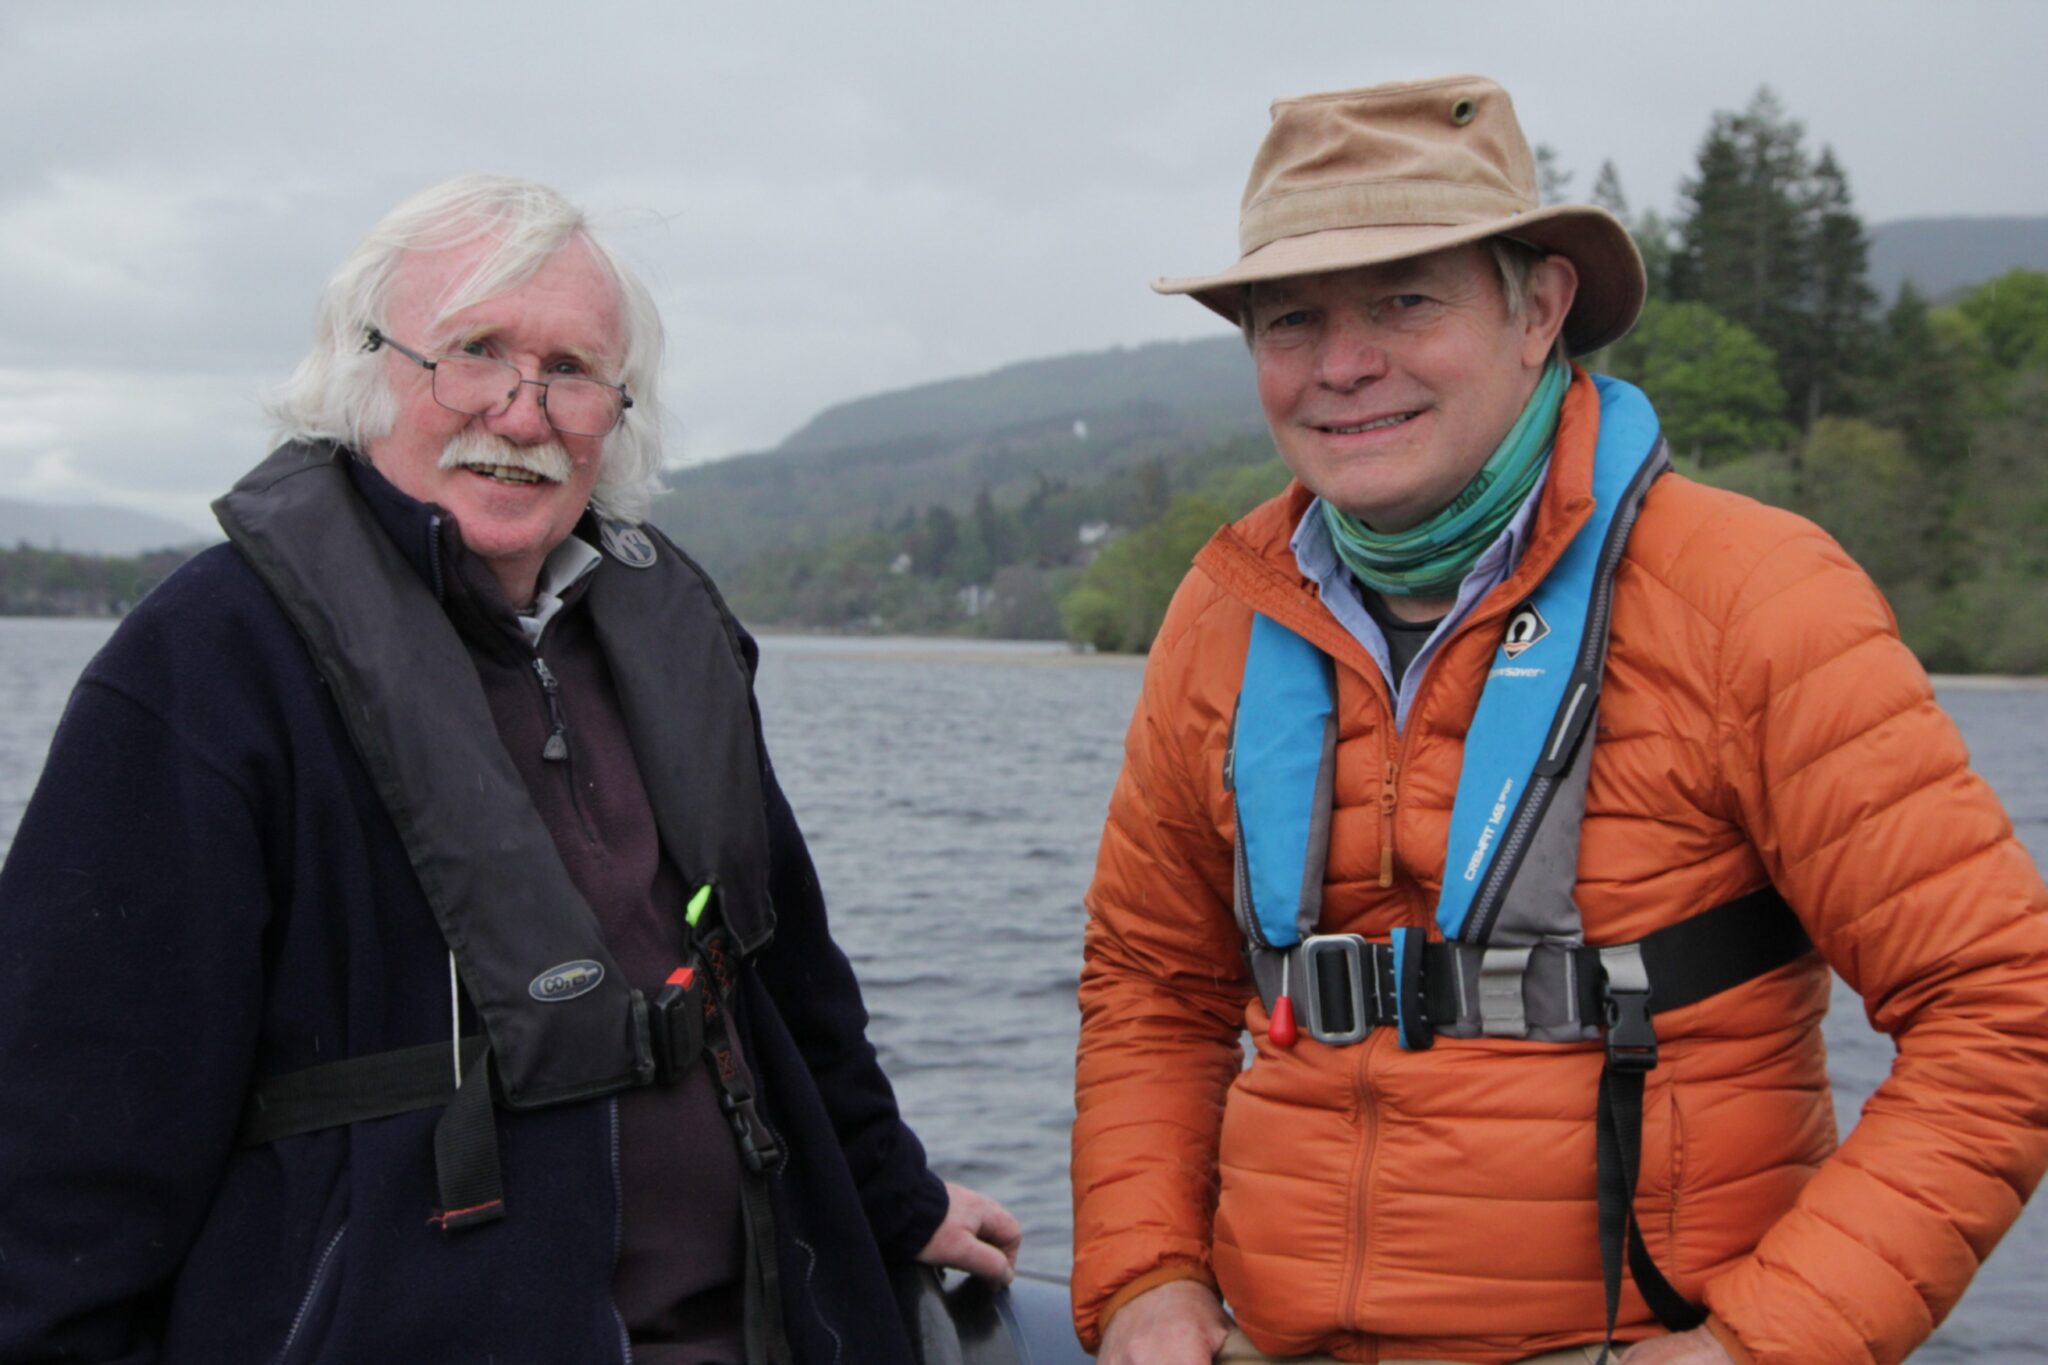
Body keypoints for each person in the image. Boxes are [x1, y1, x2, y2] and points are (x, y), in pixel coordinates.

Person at [1070, 75, 2048, 1365]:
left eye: (1404, 301)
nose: (1342, 364)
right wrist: (1144, 1276)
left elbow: (2002, 1013)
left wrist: (1757, 1349)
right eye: (1290, 319)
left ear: (1537, 311)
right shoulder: (1218, 613)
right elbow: (1152, 988)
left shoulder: (1753, 597)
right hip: (1272, 1336)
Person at [0, 173, 1018, 1364]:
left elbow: (787, 973)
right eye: (474, 352)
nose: (524, 413)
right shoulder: (206, 666)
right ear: (362, 367)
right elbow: (64, 1143)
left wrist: (895, 1196)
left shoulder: (666, 637)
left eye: (573, 372)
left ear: (616, 411)